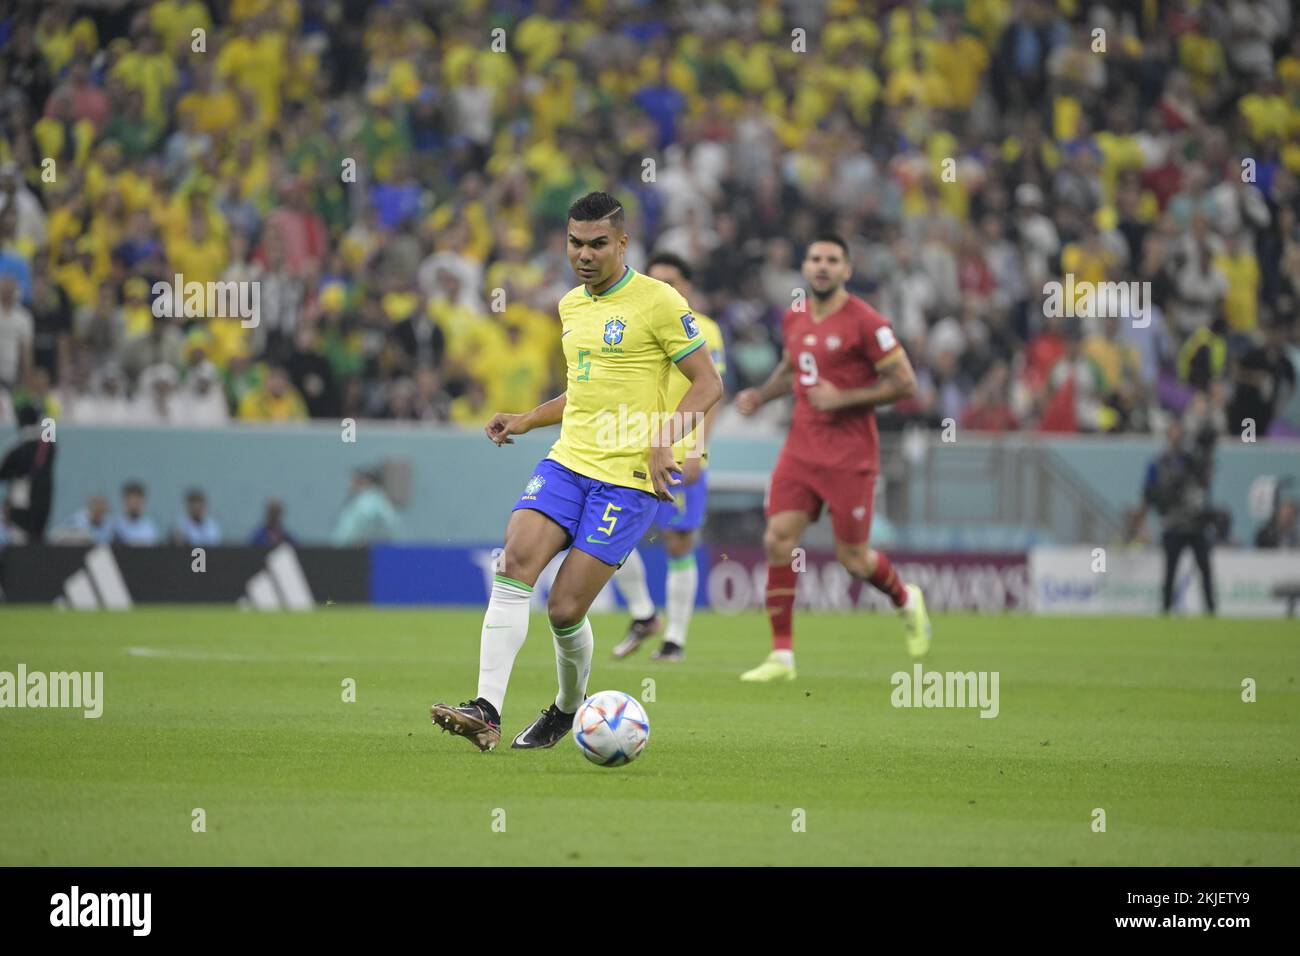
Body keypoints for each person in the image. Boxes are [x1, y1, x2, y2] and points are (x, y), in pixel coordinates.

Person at [431, 192, 722, 751]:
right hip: (569, 461)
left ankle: (566, 710)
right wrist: (525, 419)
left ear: (622, 244)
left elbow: (709, 383)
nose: (583, 255)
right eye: (574, 243)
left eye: (596, 244)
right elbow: (582, 393)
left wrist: (667, 441)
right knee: (515, 560)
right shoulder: (570, 307)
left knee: (565, 608)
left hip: (629, 478)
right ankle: (486, 709)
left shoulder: (659, 301)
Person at [733, 234, 930, 682]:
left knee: (854, 559)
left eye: (832, 260)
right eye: (815, 258)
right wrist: (762, 395)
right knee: (777, 539)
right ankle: (781, 656)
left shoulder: (867, 322)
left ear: (847, 270)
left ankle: (906, 599)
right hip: (801, 449)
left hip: (850, 455)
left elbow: (906, 383)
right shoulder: (795, 316)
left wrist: (845, 397)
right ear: (805, 266)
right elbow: (793, 365)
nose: (822, 266)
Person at [610, 251, 726, 662]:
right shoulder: (635, 322)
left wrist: (698, 450)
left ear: (687, 286)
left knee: (678, 542)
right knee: (608, 535)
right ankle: (643, 613)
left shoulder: (705, 330)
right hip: (631, 451)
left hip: (680, 453)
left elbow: (712, 394)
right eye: (655, 280)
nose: (662, 288)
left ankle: (674, 639)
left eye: (671, 281)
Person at [1142, 420, 1217, 614]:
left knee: (1205, 570)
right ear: (1168, 436)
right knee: (1170, 571)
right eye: (1173, 433)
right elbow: (1149, 492)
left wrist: (1207, 457)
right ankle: (1166, 608)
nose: (1177, 437)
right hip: (1172, 523)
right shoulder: (1158, 462)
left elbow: (1205, 483)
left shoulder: (1191, 460)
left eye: (1179, 433)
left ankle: (1211, 609)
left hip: (1195, 524)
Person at [0, 403, 55, 541]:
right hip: (44, 502)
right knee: (36, 538)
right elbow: (49, 429)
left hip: (22, 502)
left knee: (20, 537)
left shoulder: (17, 449)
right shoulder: (49, 446)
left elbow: (3, 473)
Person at [330, 467, 400, 544]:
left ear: (365, 480)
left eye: (354, 480)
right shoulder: (374, 501)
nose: (350, 485)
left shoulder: (369, 502)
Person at [111, 480, 160, 545]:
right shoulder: (115, 526)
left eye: (138, 501)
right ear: (125, 501)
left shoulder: (150, 527)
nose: (136, 505)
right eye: (133, 501)